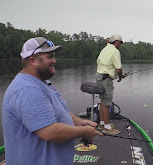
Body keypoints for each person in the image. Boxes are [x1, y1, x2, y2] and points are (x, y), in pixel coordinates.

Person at [2, 37, 103, 165]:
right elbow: (50, 132)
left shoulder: (43, 82)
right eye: (49, 57)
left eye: (54, 56)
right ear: (33, 61)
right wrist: (84, 132)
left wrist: (79, 122)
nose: (55, 61)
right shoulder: (26, 89)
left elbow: (60, 111)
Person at [95, 34, 126, 135]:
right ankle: (107, 127)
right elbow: (118, 68)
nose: (120, 45)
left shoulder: (105, 48)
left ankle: (102, 123)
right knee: (107, 102)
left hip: (99, 76)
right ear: (117, 42)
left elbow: (107, 65)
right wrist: (120, 76)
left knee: (103, 100)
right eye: (120, 43)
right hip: (106, 79)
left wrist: (120, 74)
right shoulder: (115, 51)